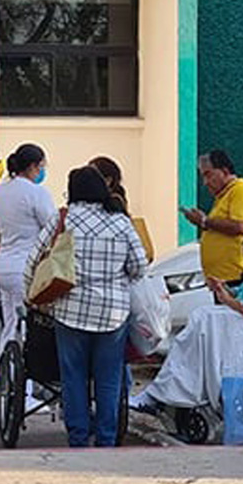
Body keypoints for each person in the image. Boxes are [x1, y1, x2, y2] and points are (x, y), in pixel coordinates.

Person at [25, 166, 147, 448]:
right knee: (109, 379)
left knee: (73, 377)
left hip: (71, 309)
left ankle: (78, 437)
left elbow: (33, 259)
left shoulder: (64, 219)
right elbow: (140, 266)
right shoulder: (121, 222)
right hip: (113, 314)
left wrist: (30, 295)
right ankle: (106, 439)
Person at [130, 219, 243, 413]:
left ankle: (166, 393)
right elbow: (242, 296)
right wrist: (223, 288)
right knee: (192, 339)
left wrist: (225, 298)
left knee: (193, 337)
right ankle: (166, 392)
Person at [0, 143, 56, 411]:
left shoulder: (0, 192)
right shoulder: (36, 193)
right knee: (29, 330)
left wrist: (2, 254)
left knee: (10, 327)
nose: (42, 171)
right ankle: (25, 393)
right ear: (33, 166)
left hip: (2, 266)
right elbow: (54, 229)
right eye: (42, 166)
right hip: (26, 270)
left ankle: (6, 384)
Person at [181, 150, 243, 285]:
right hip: (222, 281)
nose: (205, 182)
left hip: (236, 278)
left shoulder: (240, 189)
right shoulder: (223, 195)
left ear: (224, 171)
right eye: (203, 177)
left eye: (208, 175)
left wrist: (204, 221)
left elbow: (241, 226)